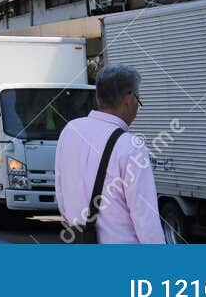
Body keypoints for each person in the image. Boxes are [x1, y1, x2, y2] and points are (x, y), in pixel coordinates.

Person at [54, 64, 165, 244]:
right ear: (128, 99)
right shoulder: (131, 146)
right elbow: (145, 218)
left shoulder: (70, 130)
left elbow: (61, 193)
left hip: (78, 240)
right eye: (138, 100)